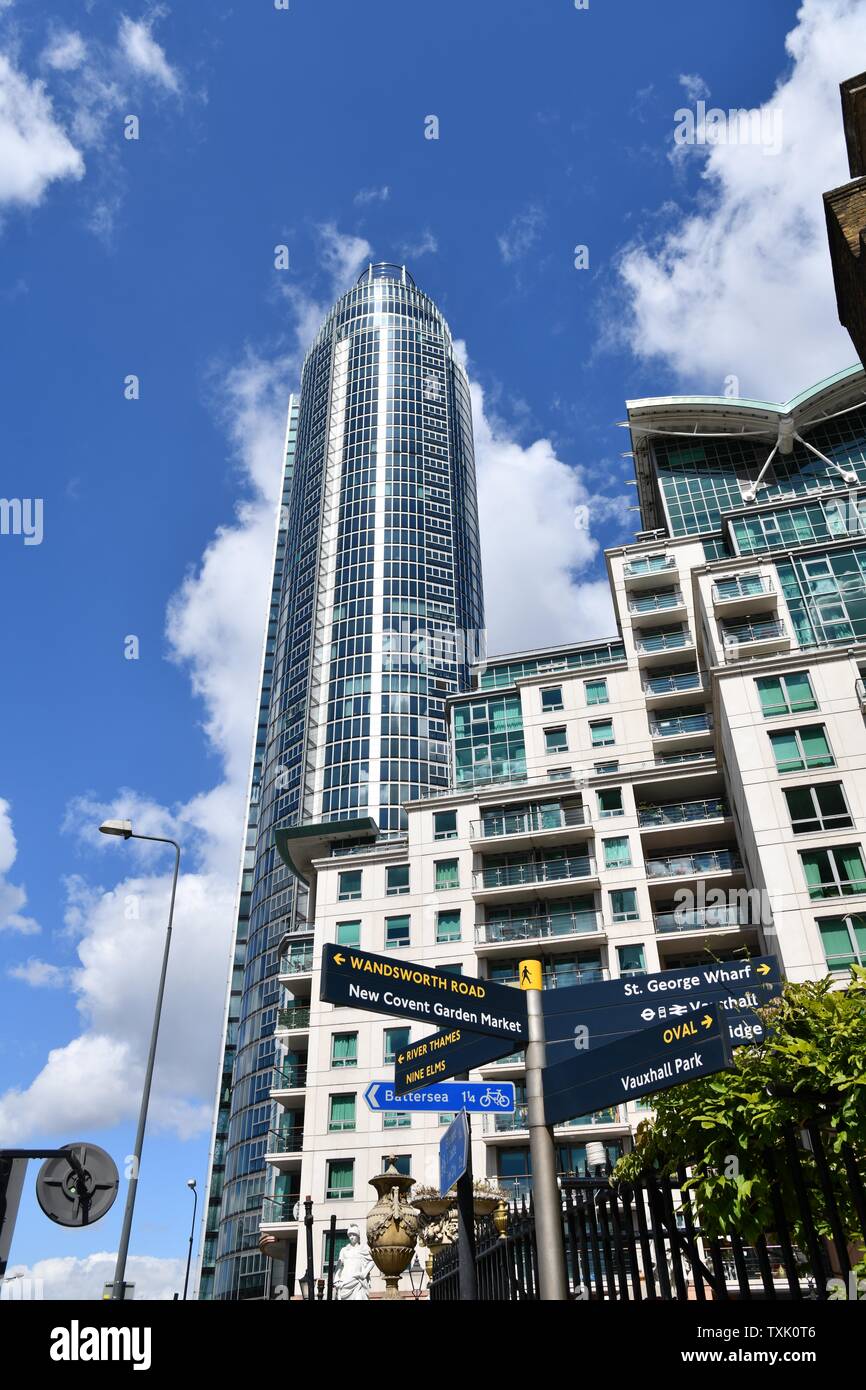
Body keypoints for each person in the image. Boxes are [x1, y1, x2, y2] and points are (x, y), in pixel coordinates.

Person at [333, 1224, 373, 1301]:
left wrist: (364, 1273)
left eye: (354, 1235)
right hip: (345, 1281)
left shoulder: (363, 1248)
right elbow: (339, 1267)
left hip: (358, 1281)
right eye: (350, 1235)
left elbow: (373, 1260)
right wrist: (336, 1279)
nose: (351, 1237)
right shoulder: (344, 1250)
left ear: (358, 1236)